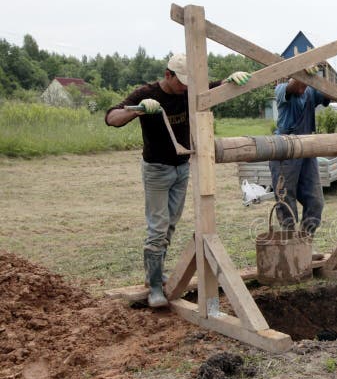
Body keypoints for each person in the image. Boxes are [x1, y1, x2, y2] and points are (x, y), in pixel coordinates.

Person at [105, 53, 250, 307]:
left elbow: (216, 88)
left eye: (188, 82)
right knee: (158, 227)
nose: (185, 87)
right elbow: (112, 118)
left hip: (182, 168)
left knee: (170, 224)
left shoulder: (190, 91)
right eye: (181, 81)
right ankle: (154, 287)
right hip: (157, 169)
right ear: (167, 74)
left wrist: (231, 80)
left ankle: (157, 273)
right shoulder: (147, 93)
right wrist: (139, 110)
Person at [270, 73, 337, 235]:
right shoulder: (281, 88)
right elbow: (296, 87)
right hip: (285, 151)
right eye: (303, 77)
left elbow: (329, 94)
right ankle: (290, 244)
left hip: (307, 151)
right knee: (286, 203)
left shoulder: (311, 91)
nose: (305, 85)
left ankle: (305, 240)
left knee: (315, 202)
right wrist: (303, 70)